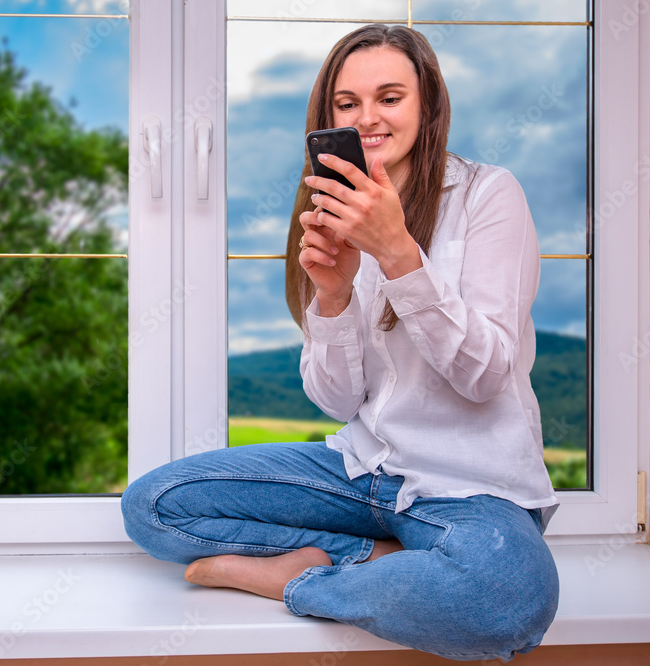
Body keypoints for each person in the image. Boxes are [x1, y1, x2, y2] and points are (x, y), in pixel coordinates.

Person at [122, 24, 560, 662]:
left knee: (505, 602)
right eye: (347, 104)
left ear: (428, 105)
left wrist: (398, 253)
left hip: (472, 490)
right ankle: (372, 557)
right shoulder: (332, 207)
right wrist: (330, 296)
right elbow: (336, 400)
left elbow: (486, 375)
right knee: (153, 507)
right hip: (362, 472)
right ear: (327, 117)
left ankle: (301, 578)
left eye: (390, 97)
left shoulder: (488, 196)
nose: (369, 118)